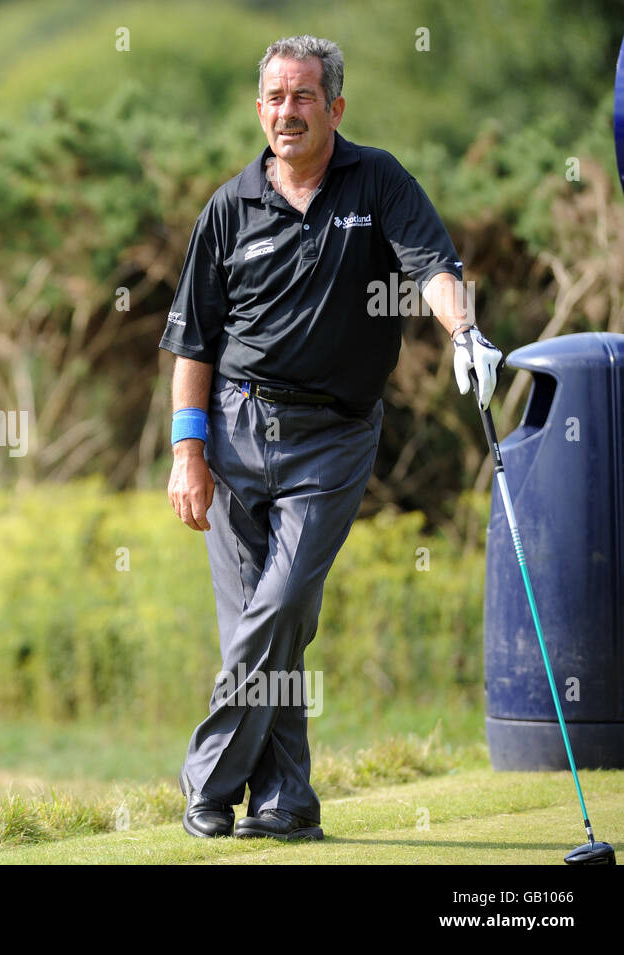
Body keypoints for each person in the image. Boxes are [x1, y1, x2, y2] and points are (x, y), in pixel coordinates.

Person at [161, 36, 503, 841]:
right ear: (259, 110)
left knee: (277, 604)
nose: (287, 112)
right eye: (275, 98)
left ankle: (207, 779)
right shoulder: (229, 206)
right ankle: (286, 804)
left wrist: (464, 332)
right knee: (259, 621)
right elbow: (193, 341)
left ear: (335, 108)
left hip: (335, 436)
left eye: (303, 97)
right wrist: (188, 452)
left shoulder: (377, 180)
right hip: (237, 429)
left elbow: (432, 265)